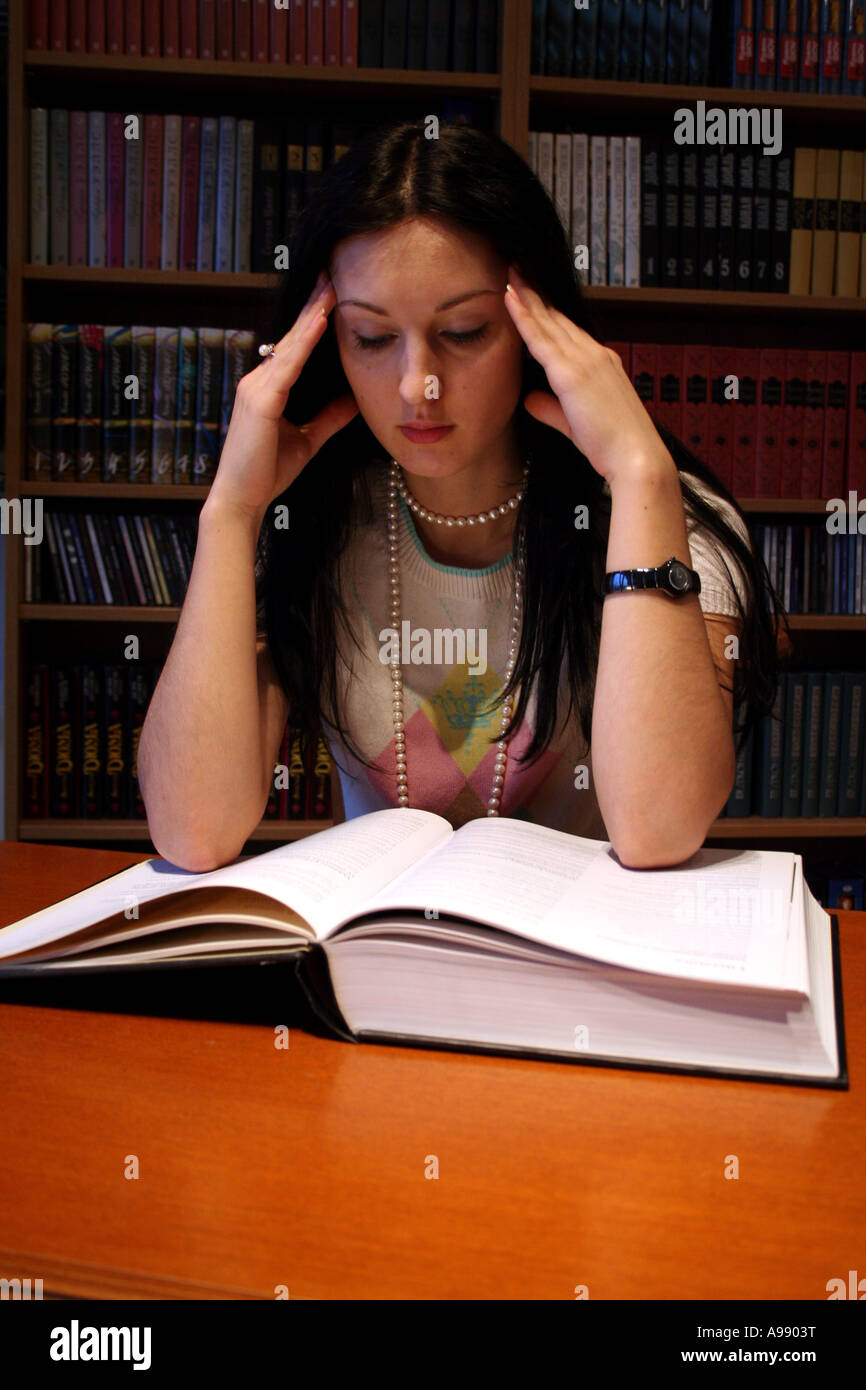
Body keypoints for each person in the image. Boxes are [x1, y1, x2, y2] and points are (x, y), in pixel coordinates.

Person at [138, 119, 786, 873]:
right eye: (373, 339)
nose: (419, 386)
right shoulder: (310, 518)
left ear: (538, 326)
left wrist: (642, 473)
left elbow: (658, 829)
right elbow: (193, 831)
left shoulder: (663, 519)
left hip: (585, 963)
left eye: (465, 330)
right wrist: (230, 515)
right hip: (385, 957)